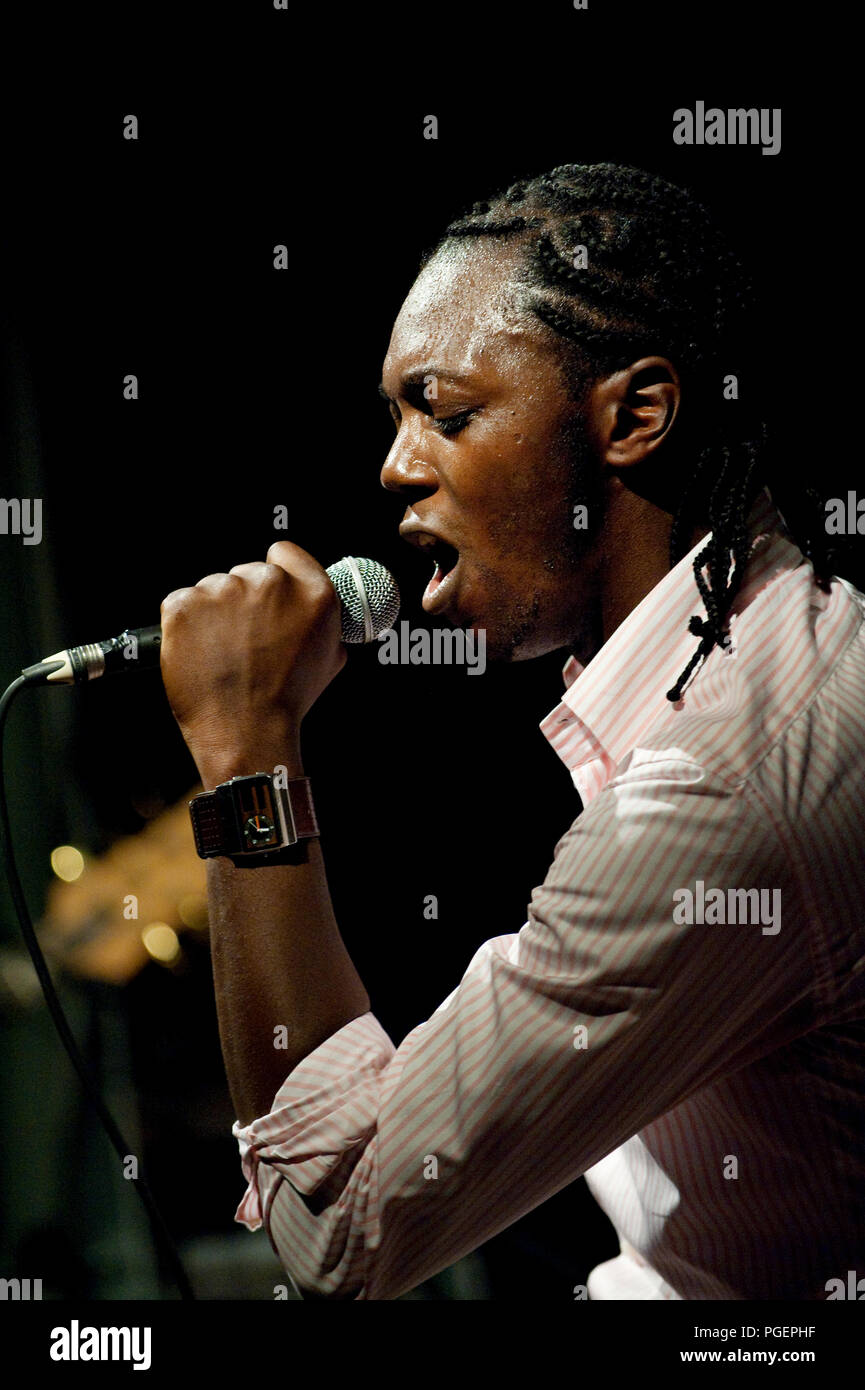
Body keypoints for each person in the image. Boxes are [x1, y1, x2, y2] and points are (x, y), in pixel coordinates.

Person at [159, 163, 865, 1300]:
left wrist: (247, 747)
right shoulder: (782, 651)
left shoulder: (718, 784)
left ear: (633, 416)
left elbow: (339, 1228)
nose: (394, 466)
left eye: (443, 412)